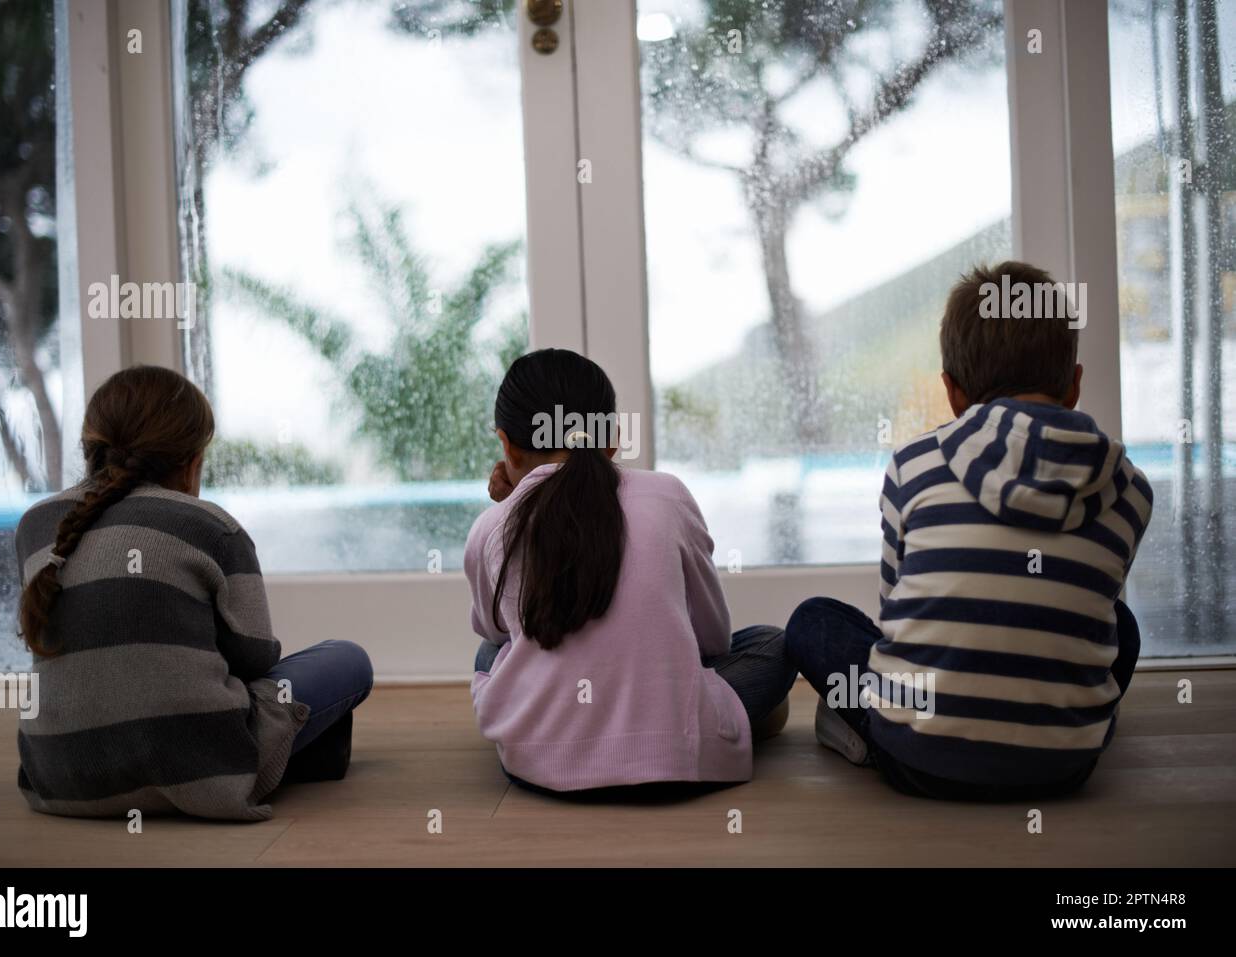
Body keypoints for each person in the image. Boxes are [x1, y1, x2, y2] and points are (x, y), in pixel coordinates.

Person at [787, 261, 1152, 800]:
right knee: (1120, 623)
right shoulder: (1130, 489)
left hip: (916, 758)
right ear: (1074, 384)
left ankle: (863, 732)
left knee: (812, 621)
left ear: (952, 391)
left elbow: (894, 615)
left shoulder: (913, 466)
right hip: (1065, 768)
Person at [14, 365, 372, 821]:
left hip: (57, 780)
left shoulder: (35, 525)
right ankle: (271, 760)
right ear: (192, 460)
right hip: (203, 772)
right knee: (346, 658)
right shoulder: (213, 528)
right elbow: (255, 658)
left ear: (91, 449)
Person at [465, 348, 795, 794]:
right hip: (675, 755)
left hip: (539, 764)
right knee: (773, 644)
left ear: (505, 444)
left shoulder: (492, 526)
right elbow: (712, 639)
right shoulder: (666, 495)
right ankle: (736, 717)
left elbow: (495, 627)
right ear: (614, 437)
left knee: (490, 655)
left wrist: (512, 509)